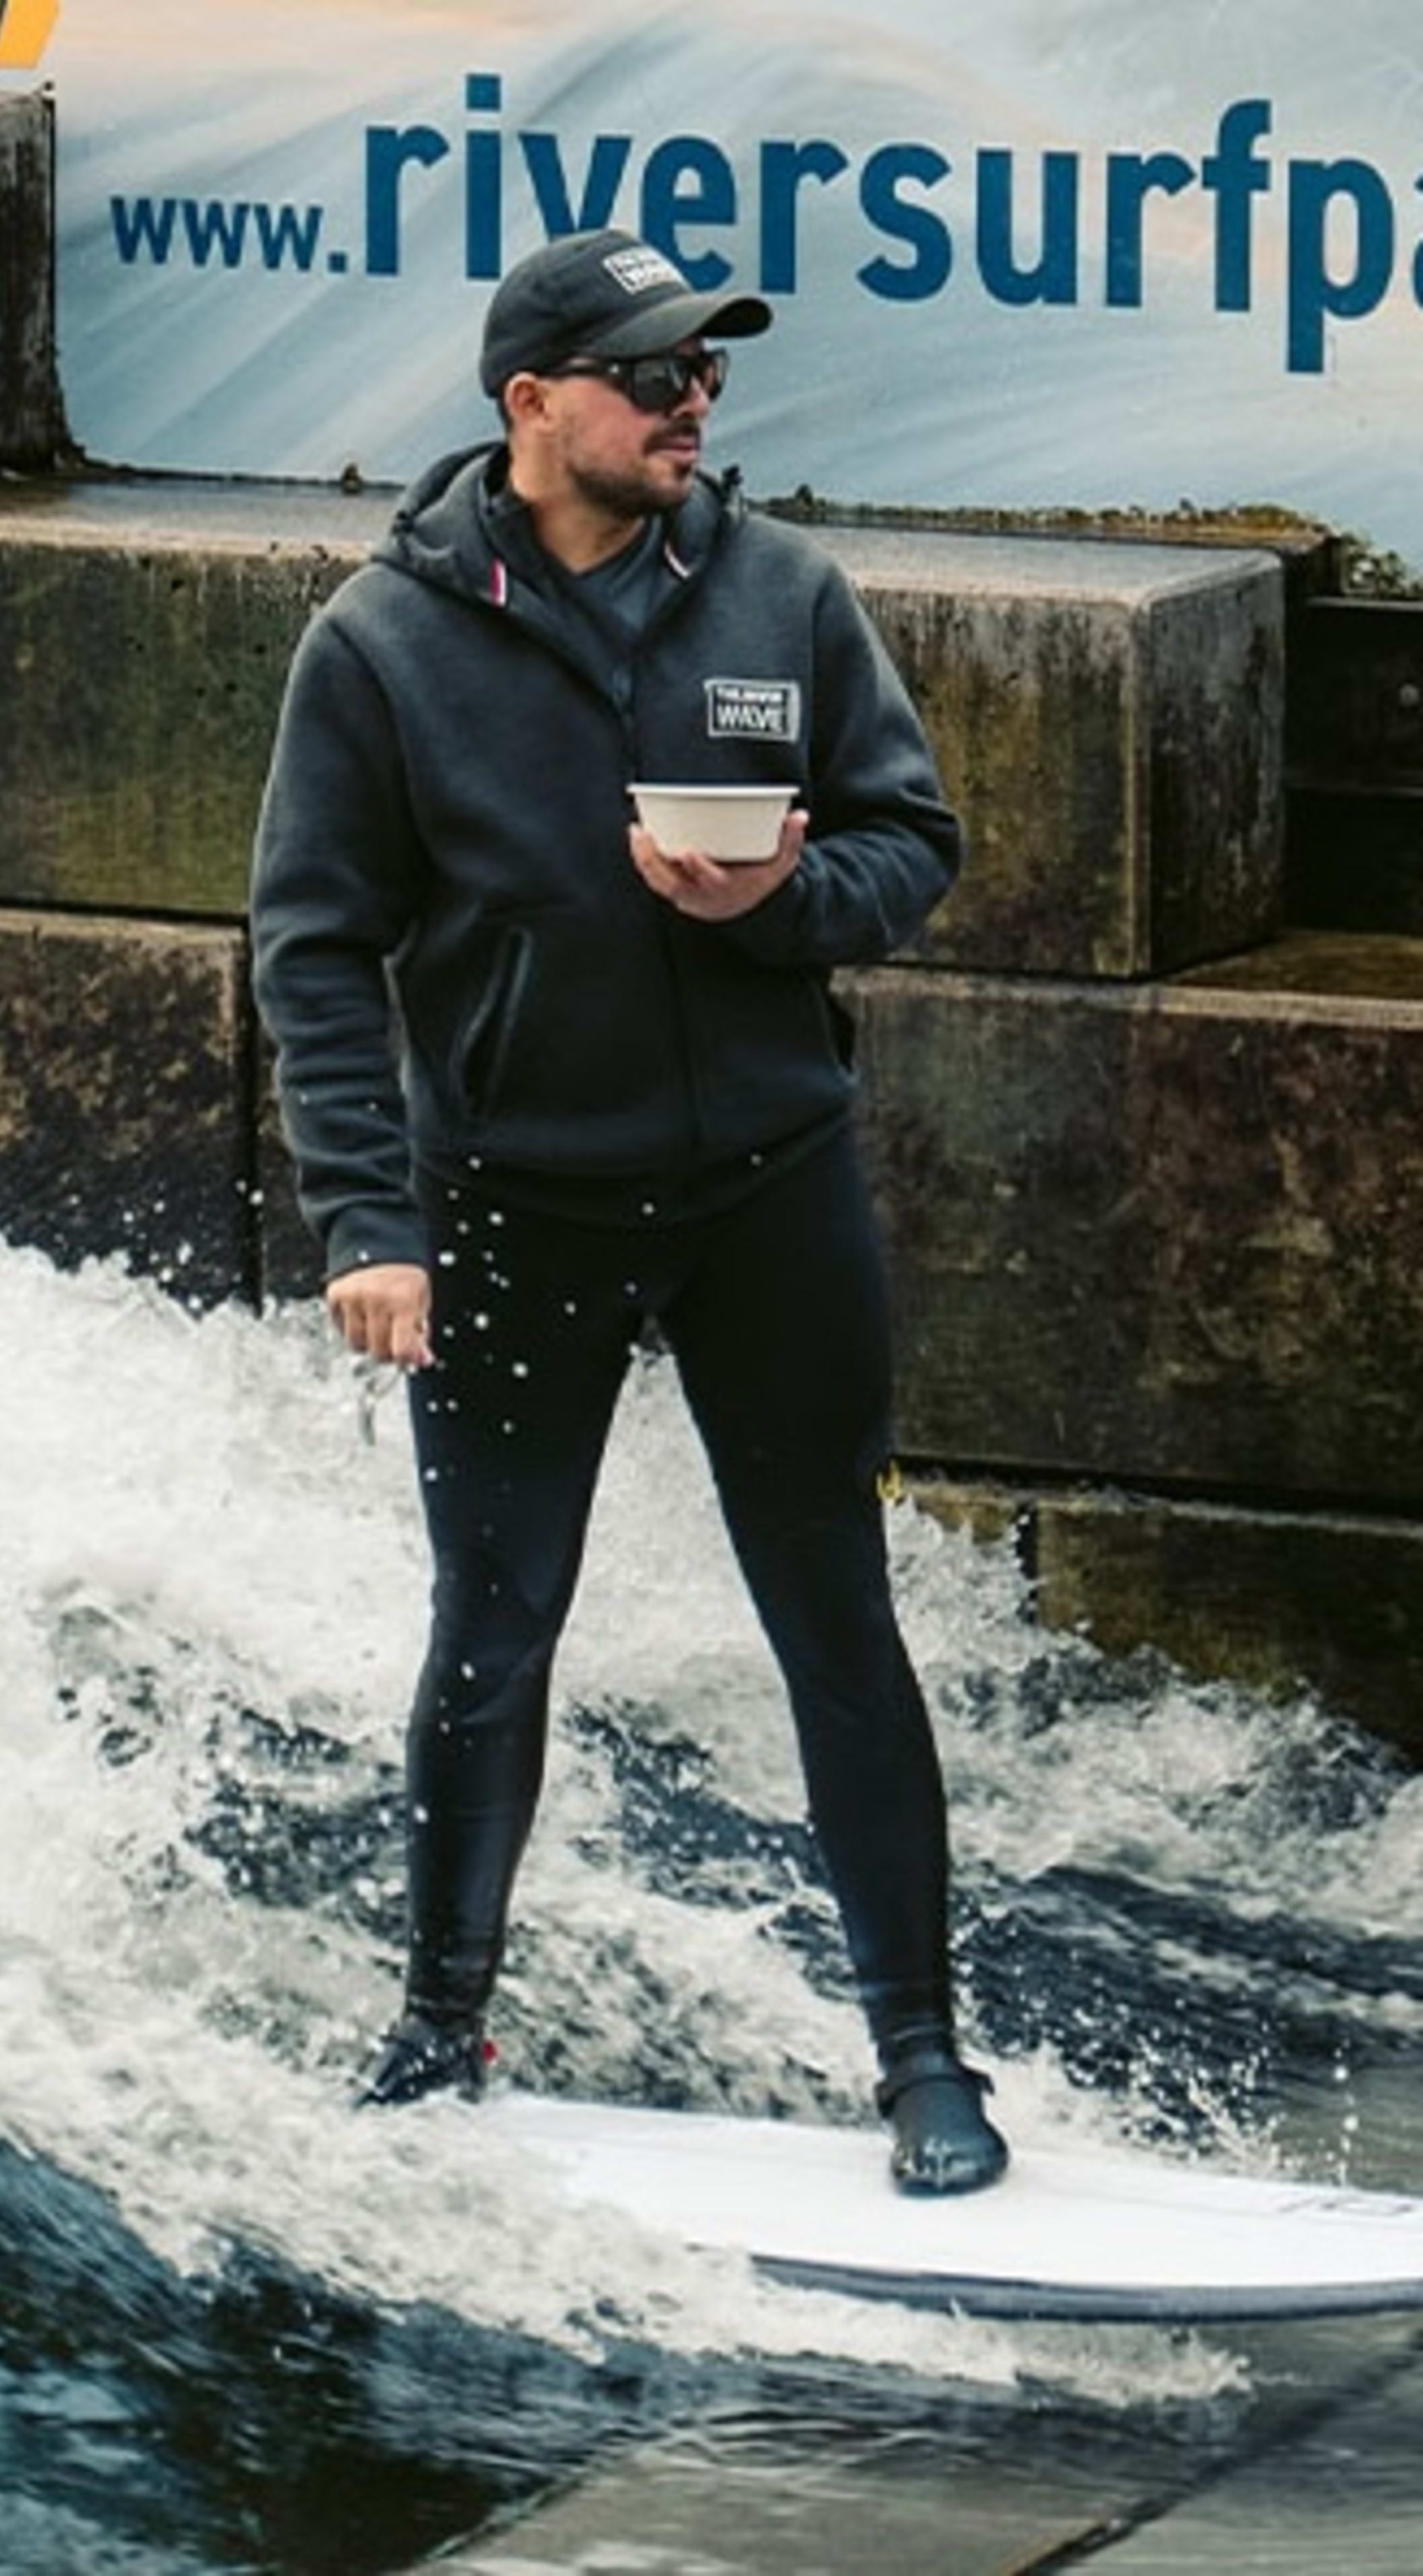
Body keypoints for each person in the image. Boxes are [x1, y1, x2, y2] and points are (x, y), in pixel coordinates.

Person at [248, 228, 1006, 2195]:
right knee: (494, 1631)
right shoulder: (381, 645)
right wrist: (367, 1221)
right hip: (515, 1207)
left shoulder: (782, 592)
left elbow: (913, 841)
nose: (696, 402)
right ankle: (441, 2026)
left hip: (771, 1192)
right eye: (656, 373)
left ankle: (924, 2058)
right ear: (533, 405)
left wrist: (780, 905)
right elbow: (313, 949)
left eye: (708, 371)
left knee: (837, 1617)